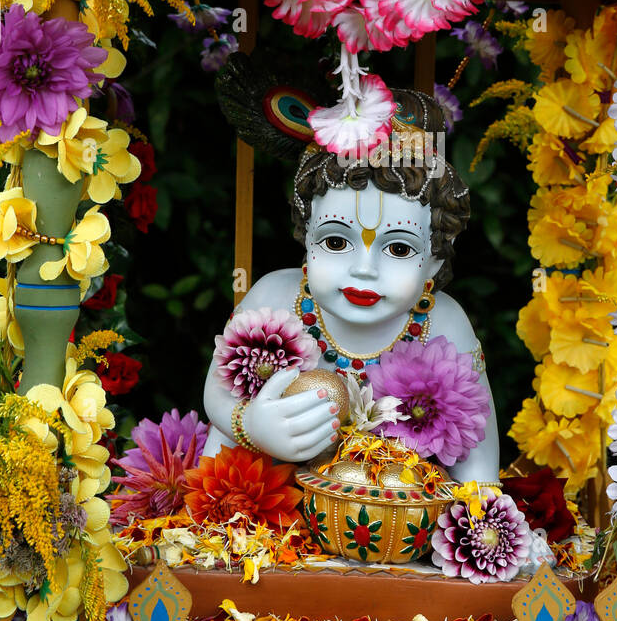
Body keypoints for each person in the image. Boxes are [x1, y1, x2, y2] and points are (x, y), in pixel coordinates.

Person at [203, 90, 499, 483]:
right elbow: (217, 391)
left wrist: (480, 511)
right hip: (259, 506)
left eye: (397, 248)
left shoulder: (445, 322)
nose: (363, 270)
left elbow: (476, 443)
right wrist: (252, 426)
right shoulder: (274, 297)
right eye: (337, 243)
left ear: (435, 261)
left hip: (393, 518)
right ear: (306, 238)